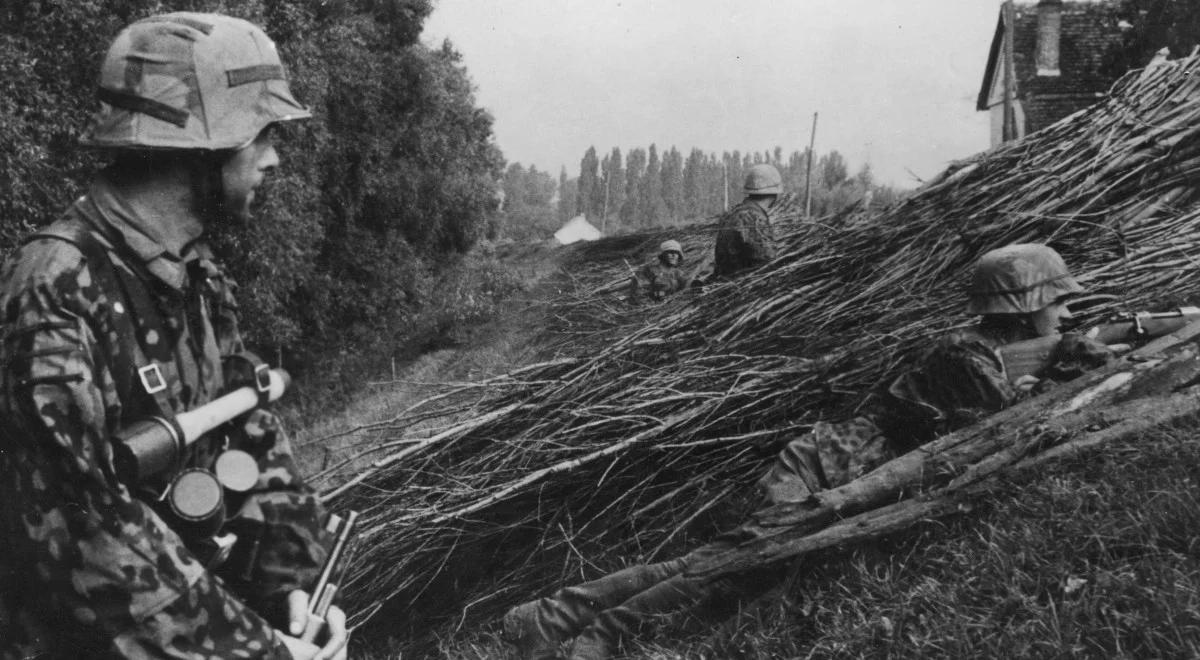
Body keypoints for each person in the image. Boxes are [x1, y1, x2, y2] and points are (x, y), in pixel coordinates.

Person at [502, 243, 1111, 660]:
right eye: (1057, 302)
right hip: (819, 467)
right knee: (736, 564)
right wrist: (1073, 362)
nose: (1067, 313)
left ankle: (545, 620)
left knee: (724, 564)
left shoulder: (983, 353)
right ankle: (592, 637)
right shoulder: (963, 353)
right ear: (1023, 308)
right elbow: (1009, 427)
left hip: (842, 472)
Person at [0, 13, 348, 660]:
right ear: (198, 147)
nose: (274, 158)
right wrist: (258, 650)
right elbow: (88, 533)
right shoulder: (53, 290)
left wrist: (292, 585)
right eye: (261, 134)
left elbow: (248, 423)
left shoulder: (194, 274)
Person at [713, 163, 782, 279]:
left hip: (726, 282)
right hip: (743, 285)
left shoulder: (732, 213)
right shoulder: (753, 219)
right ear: (775, 194)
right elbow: (767, 263)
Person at [628, 239, 690, 303]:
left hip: (673, 305)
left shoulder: (679, 274)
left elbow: (687, 291)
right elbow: (639, 294)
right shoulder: (648, 271)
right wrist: (658, 299)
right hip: (652, 306)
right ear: (663, 255)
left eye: (677, 253)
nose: (674, 255)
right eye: (670, 252)